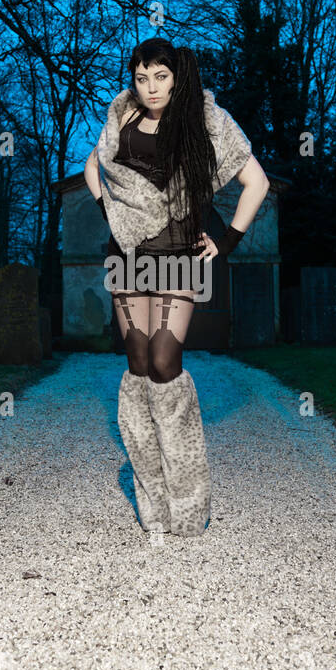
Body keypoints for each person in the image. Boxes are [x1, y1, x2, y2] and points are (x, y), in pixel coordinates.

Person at [82, 38, 271, 538]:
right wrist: (113, 212)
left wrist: (228, 239)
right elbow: (93, 166)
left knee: (166, 360)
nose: (150, 88)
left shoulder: (206, 121)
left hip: (180, 253)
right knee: (138, 359)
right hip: (127, 256)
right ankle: (153, 502)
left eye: (160, 77)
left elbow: (257, 181)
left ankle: (188, 499)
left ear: (178, 76)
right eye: (142, 78)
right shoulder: (121, 118)